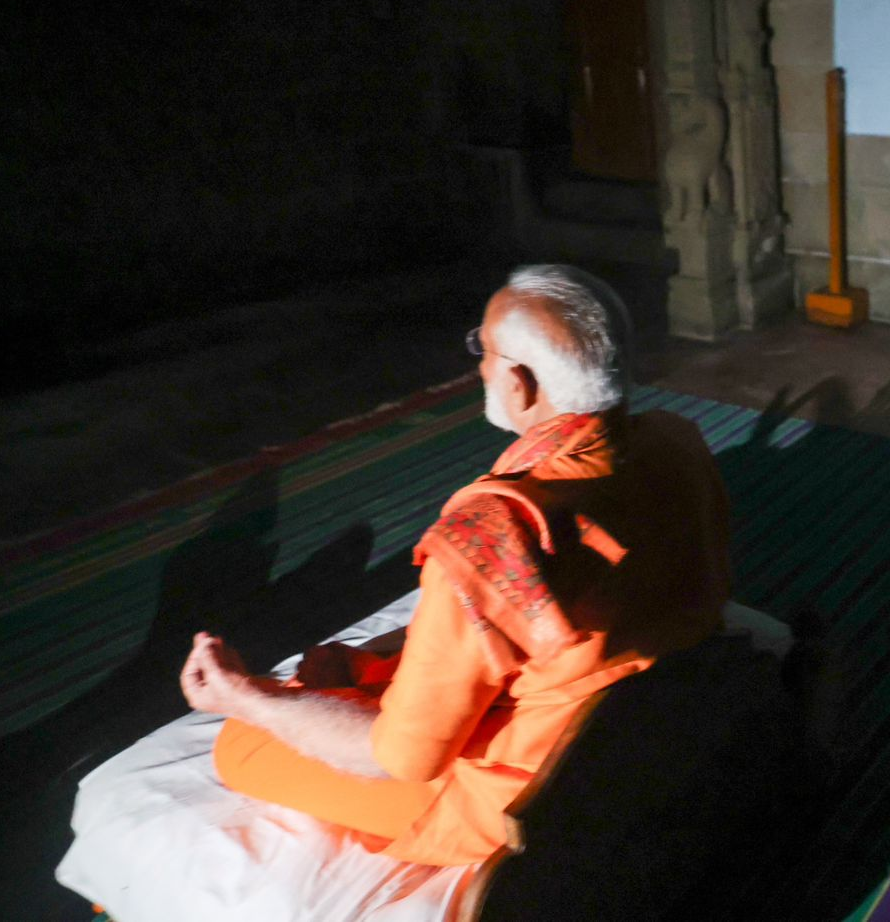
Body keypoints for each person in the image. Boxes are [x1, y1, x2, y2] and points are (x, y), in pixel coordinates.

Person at [178, 265, 733, 866]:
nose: (479, 366)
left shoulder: (488, 540)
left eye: (484, 350)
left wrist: (247, 700)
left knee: (240, 745)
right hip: (638, 705)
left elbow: (400, 761)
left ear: (520, 383)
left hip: (534, 788)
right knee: (359, 669)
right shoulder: (674, 437)